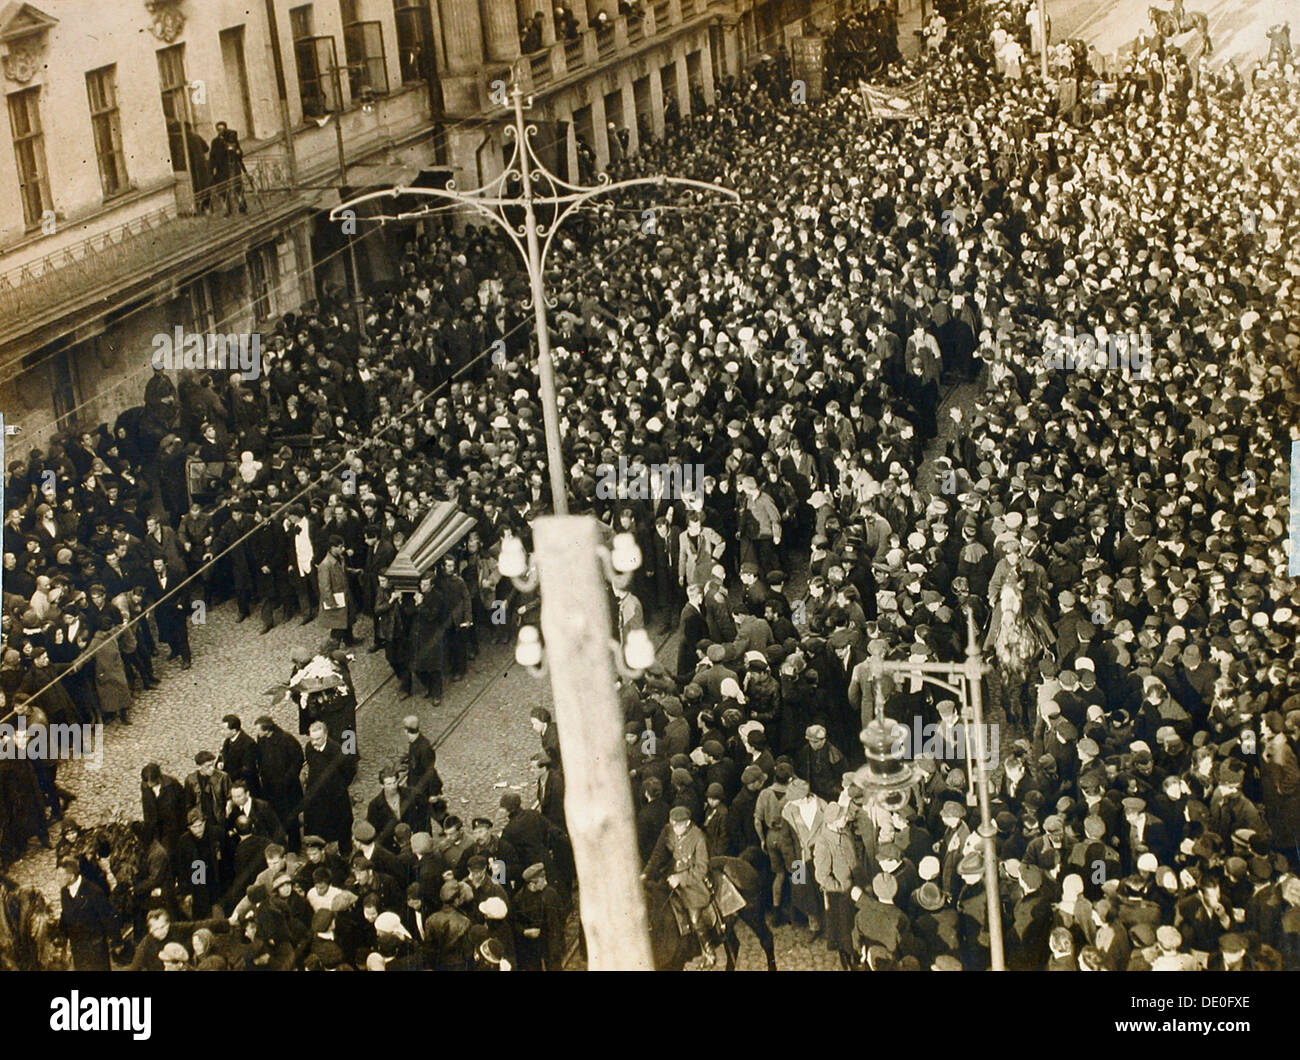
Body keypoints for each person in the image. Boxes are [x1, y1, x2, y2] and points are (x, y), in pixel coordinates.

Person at [643, 805, 717, 965]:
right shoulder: (668, 830)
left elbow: (701, 868)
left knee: (695, 917)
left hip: (693, 882)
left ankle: (708, 950)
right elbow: (657, 854)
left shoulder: (698, 837)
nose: (675, 828)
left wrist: (681, 878)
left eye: (679, 825)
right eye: (673, 824)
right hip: (670, 876)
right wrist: (646, 873)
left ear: (688, 822)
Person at [57, 858, 119, 971]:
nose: (58, 879)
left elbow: (108, 917)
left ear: (71, 876)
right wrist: (60, 935)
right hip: (78, 948)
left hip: (95, 947)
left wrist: (117, 941)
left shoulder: (93, 891)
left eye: (61, 875)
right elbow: (65, 915)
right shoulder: (64, 892)